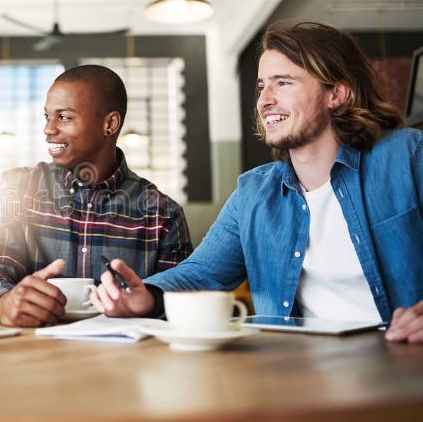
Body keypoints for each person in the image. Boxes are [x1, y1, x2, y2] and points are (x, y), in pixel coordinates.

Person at [91, 21, 423, 344]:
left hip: (400, 368)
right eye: (262, 86)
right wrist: (146, 296)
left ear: (335, 93)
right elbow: (201, 272)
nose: (264, 100)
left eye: (284, 83)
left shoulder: (408, 156)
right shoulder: (254, 193)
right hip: (294, 375)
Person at [0, 65, 193, 327]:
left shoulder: (163, 213)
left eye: (63, 117)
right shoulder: (16, 187)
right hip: (29, 356)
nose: (48, 129)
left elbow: (179, 300)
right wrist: (3, 301)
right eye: (47, 116)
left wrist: (149, 305)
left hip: (126, 359)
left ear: (109, 124)